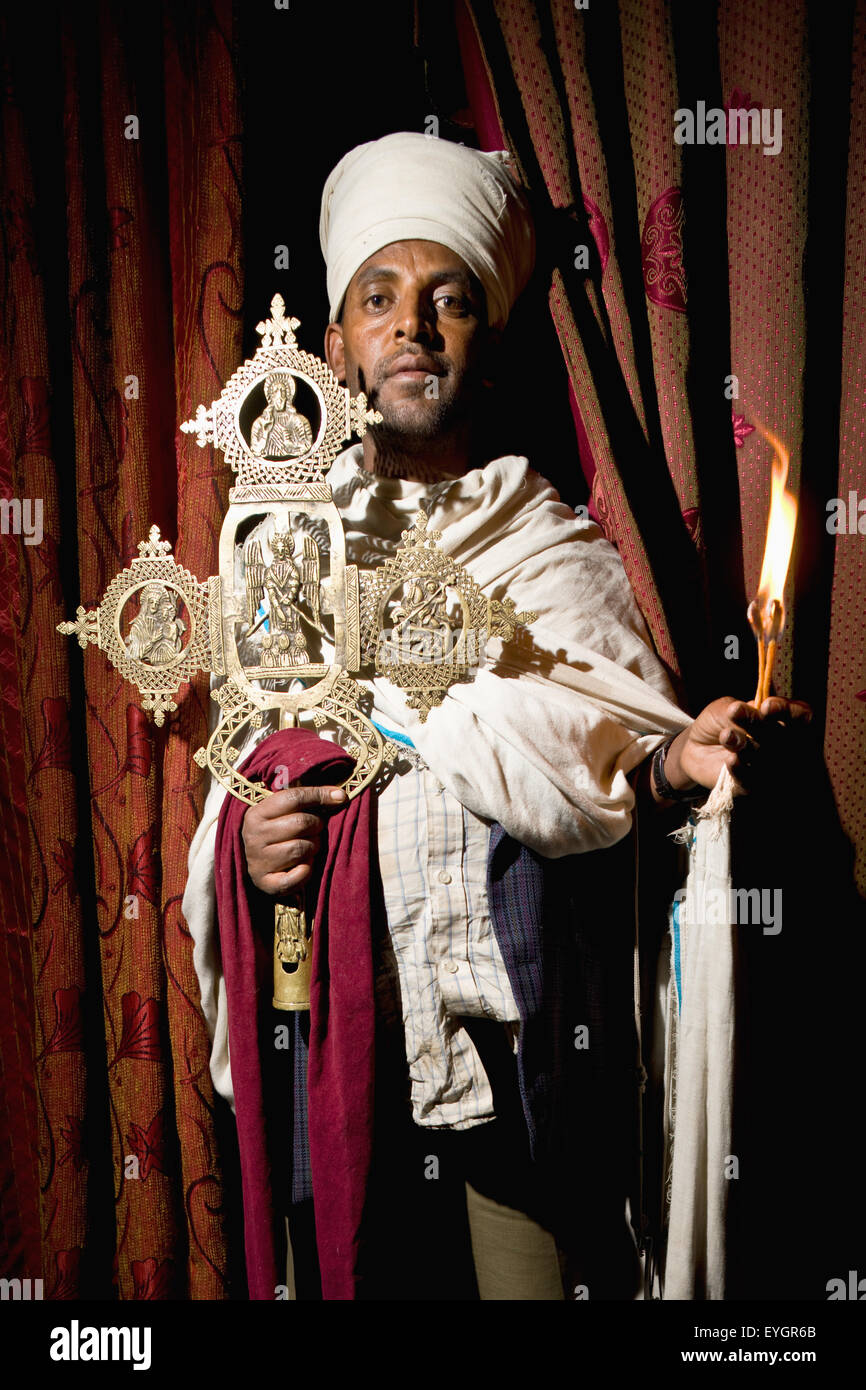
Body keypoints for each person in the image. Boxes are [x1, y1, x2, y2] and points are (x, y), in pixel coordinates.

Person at [183, 132, 810, 1301]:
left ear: (487, 339)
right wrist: (250, 850)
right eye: (381, 298)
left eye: (448, 301)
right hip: (344, 1057)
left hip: (518, 1061)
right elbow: (242, 790)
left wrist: (683, 756)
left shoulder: (553, 549)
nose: (413, 324)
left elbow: (608, 761)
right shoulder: (281, 562)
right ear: (335, 346)